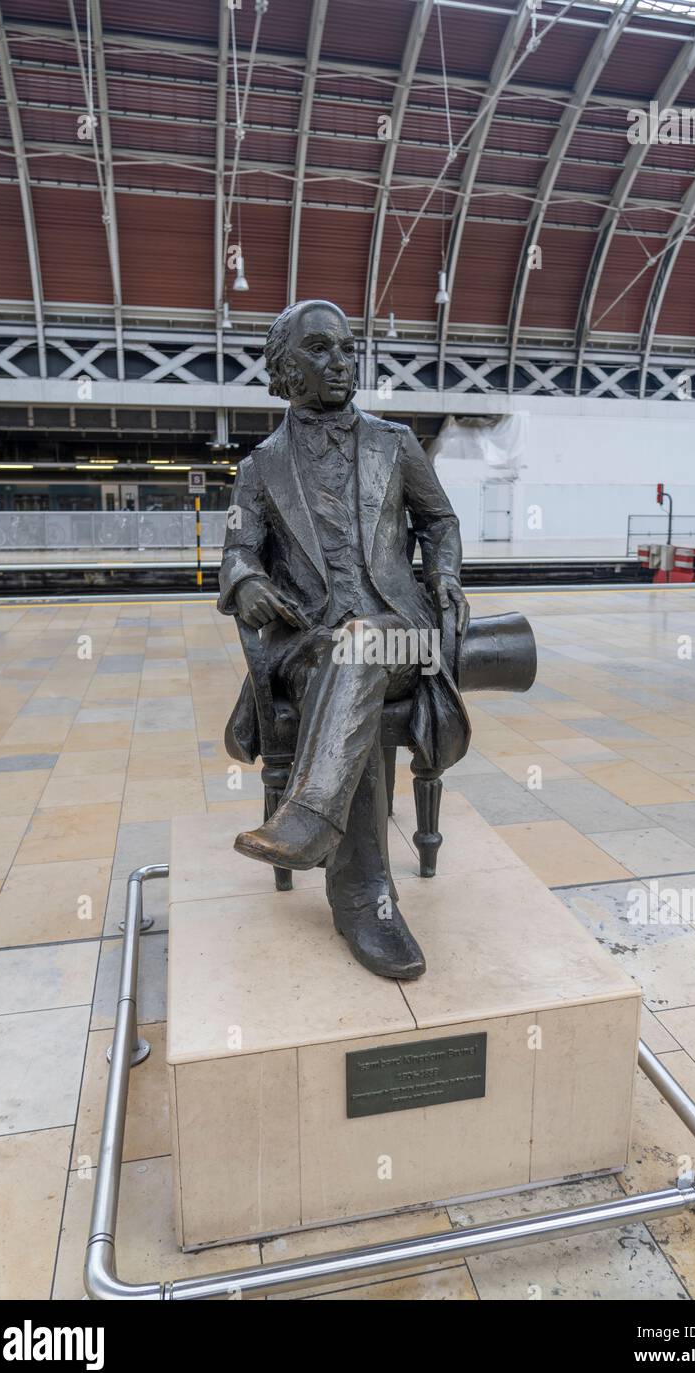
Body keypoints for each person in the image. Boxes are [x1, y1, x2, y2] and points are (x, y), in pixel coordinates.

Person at [218, 300, 470, 979]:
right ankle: (362, 892)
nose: (341, 362)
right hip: (308, 643)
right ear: (285, 368)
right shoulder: (258, 468)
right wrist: (245, 585)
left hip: (398, 634)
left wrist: (443, 575)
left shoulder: (397, 444)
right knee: (341, 663)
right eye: (322, 349)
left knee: (359, 650)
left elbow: (440, 523)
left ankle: (318, 836)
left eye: (348, 348)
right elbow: (237, 551)